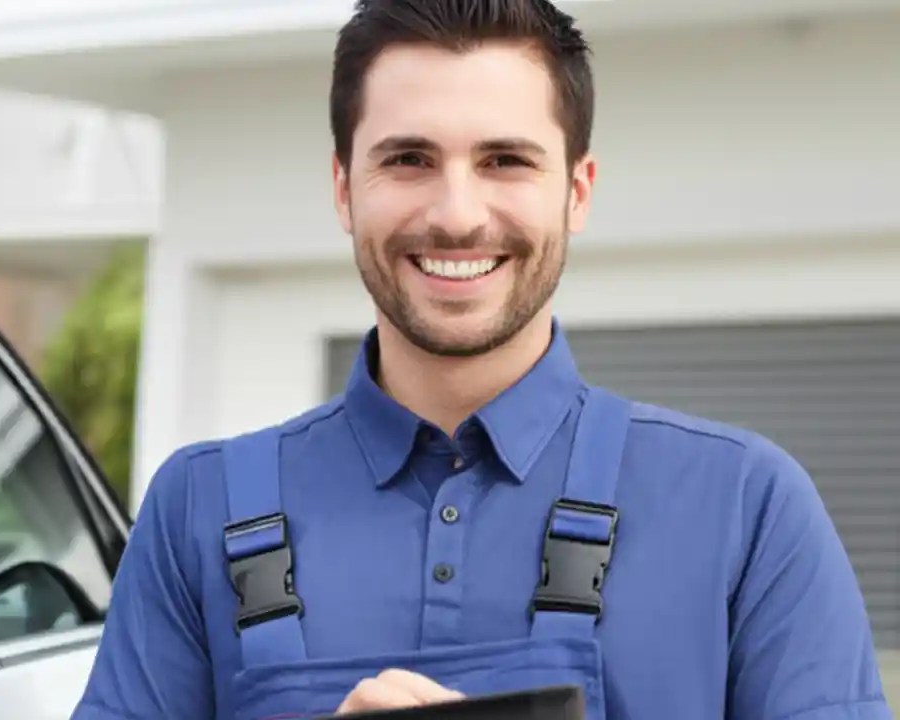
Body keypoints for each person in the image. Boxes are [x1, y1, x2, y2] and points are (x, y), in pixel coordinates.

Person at [72, 0, 892, 718]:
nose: (458, 215)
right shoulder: (198, 510)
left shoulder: (746, 506)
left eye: (505, 160)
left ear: (577, 191)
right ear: (344, 187)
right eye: (409, 159)